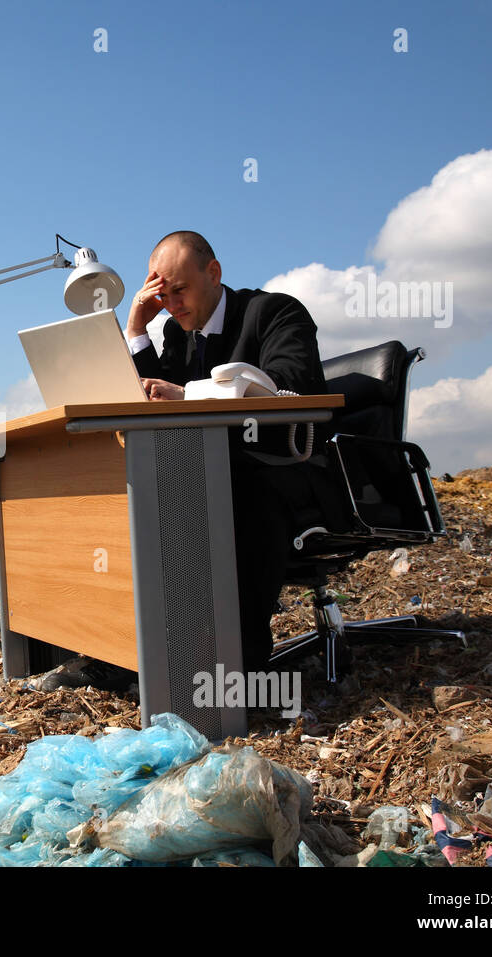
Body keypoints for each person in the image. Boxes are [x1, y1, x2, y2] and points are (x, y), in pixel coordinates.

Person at [124, 230, 344, 677]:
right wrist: (136, 331)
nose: (172, 304)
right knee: (133, 487)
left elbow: (292, 386)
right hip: (211, 470)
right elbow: (149, 403)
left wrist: (187, 395)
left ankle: (237, 666)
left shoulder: (273, 312)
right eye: (163, 296)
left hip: (288, 467)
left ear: (214, 272)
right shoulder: (174, 330)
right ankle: (137, 654)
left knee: (235, 487)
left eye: (180, 290)